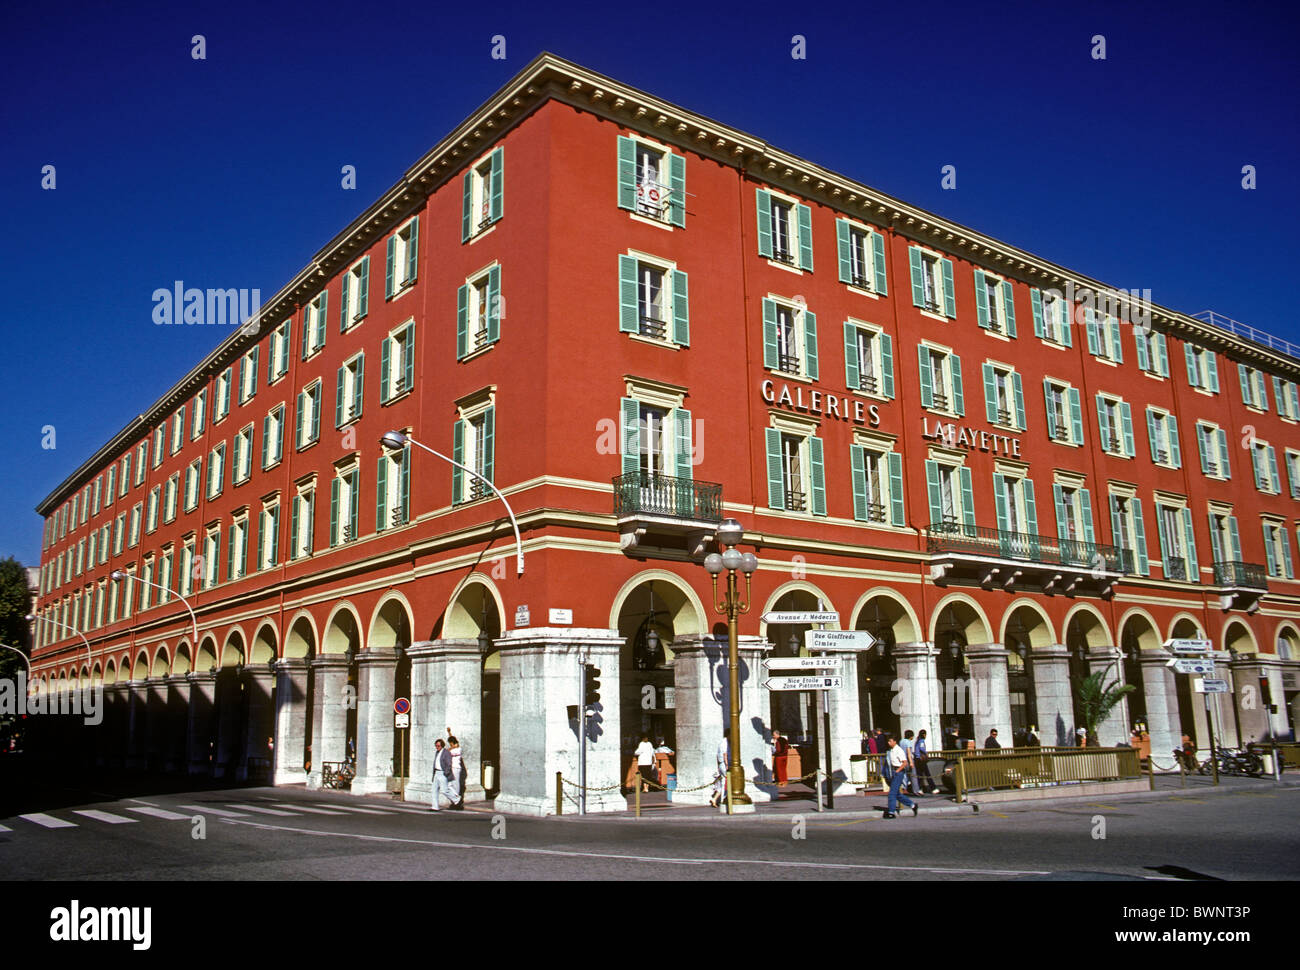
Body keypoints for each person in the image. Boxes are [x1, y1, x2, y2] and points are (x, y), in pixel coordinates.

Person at [883, 736, 917, 819]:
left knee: (892, 793)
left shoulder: (899, 750)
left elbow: (904, 763)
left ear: (895, 741)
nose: (889, 743)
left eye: (890, 741)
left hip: (898, 772)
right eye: (888, 741)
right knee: (897, 794)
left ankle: (891, 812)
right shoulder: (891, 750)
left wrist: (897, 771)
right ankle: (912, 805)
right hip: (893, 772)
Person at [431, 738, 454, 811]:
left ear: (442, 746)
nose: (437, 747)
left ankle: (457, 800)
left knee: (444, 790)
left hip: (442, 772)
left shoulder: (446, 752)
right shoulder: (437, 752)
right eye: (436, 746)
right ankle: (435, 806)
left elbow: (449, 764)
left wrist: (446, 772)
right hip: (436, 773)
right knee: (434, 790)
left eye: (438, 746)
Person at [914, 729, 938, 794]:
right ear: (924, 734)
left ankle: (920, 789)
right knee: (927, 774)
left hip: (917, 759)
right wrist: (926, 753)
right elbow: (922, 748)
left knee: (919, 775)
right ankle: (933, 788)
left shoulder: (917, 741)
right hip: (921, 760)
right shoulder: (921, 741)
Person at [710, 733, 729, 807]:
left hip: (721, 764)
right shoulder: (725, 743)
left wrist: (718, 767)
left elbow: (717, 756)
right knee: (726, 782)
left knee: (722, 784)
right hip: (724, 765)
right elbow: (725, 754)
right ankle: (723, 800)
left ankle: (714, 799)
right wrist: (727, 765)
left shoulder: (721, 743)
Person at [447, 734, 465, 808]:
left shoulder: (457, 749)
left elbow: (450, 749)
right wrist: (449, 733)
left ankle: (457, 800)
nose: (449, 744)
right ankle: (455, 800)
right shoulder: (454, 748)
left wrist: (451, 747)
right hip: (452, 768)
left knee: (455, 785)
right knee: (450, 785)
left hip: (456, 768)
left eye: (450, 743)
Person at [901, 730, 919, 795]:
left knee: (904, 775)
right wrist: (911, 762)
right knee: (913, 776)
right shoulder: (908, 742)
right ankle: (915, 790)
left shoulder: (901, 741)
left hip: (902, 761)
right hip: (908, 760)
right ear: (911, 736)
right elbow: (909, 753)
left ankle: (903, 788)